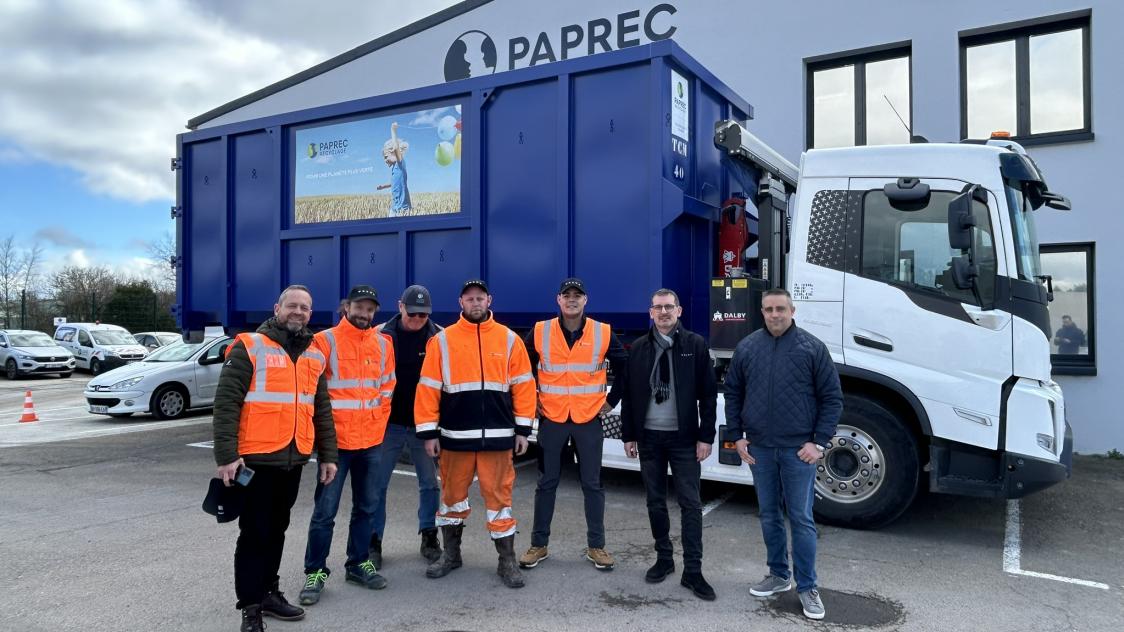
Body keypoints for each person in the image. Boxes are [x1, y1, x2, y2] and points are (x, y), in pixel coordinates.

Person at [212, 284, 339, 632]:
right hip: (254, 462)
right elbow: (226, 406)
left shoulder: (314, 353)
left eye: (305, 308)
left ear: (311, 314)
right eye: (292, 306)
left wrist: (329, 455)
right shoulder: (250, 346)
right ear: (277, 308)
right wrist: (226, 456)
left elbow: (321, 410)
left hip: (293, 460)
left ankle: (269, 592)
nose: (299, 312)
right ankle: (250, 608)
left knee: (277, 530)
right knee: (254, 534)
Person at [724, 288, 842, 621]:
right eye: (769, 309)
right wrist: (737, 437)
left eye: (780, 309)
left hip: (797, 451)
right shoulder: (748, 347)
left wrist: (818, 443)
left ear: (793, 310)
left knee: (802, 519)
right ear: (761, 312)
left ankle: (807, 587)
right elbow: (733, 393)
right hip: (759, 448)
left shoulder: (812, 348)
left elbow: (832, 398)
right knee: (769, 515)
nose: (775, 314)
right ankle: (778, 574)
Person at [415, 279, 537, 588]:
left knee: (500, 501)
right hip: (454, 439)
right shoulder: (442, 341)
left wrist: (523, 430)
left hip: (498, 439)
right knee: (452, 499)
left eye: (480, 298)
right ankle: (452, 555)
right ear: (460, 302)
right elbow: (428, 388)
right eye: (469, 298)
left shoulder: (509, 340)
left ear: (489, 300)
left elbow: (524, 386)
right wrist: (429, 433)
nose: (475, 303)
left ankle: (506, 561)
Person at [519, 277, 627, 572]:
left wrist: (611, 401)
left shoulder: (602, 332)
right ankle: (538, 544)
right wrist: (533, 399)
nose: (571, 300)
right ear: (558, 300)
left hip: (588, 418)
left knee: (592, 484)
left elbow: (626, 367)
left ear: (585, 300)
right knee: (546, 483)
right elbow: (520, 368)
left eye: (577, 296)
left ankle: (597, 546)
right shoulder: (541, 331)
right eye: (566, 295)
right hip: (552, 417)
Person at [298, 285, 396, 604]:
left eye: (370, 309)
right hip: (335, 446)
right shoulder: (323, 340)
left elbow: (387, 387)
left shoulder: (384, 343)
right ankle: (315, 572)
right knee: (325, 512)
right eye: (359, 307)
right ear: (346, 307)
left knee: (366, 508)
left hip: (370, 442)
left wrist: (377, 423)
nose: (364, 314)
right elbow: (308, 387)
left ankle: (357, 564)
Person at [621, 288, 718, 601]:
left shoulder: (695, 345)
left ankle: (693, 570)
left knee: (690, 503)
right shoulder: (637, 348)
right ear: (650, 312)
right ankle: (664, 559)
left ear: (680, 311)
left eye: (669, 307)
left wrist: (706, 437)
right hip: (649, 437)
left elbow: (708, 395)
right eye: (658, 307)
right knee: (654, 501)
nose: (663, 312)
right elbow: (630, 394)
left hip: (684, 439)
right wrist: (629, 434)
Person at [368, 284, 444, 567]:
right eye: (412, 314)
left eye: (422, 316)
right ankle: (373, 541)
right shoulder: (379, 336)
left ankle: (428, 535)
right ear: (400, 306)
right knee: (377, 485)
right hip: (388, 425)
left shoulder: (440, 338)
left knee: (429, 485)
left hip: (424, 426)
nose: (416, 320)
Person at [383, 121, 411, 217]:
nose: (385, 160)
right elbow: (396, 183)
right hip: (394, 208)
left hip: (403, 209)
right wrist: (384, 186)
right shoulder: (394, 169)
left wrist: (393, 130)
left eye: (386, 156)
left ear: (393, 153)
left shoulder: (400, 163)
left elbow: (395, 147)